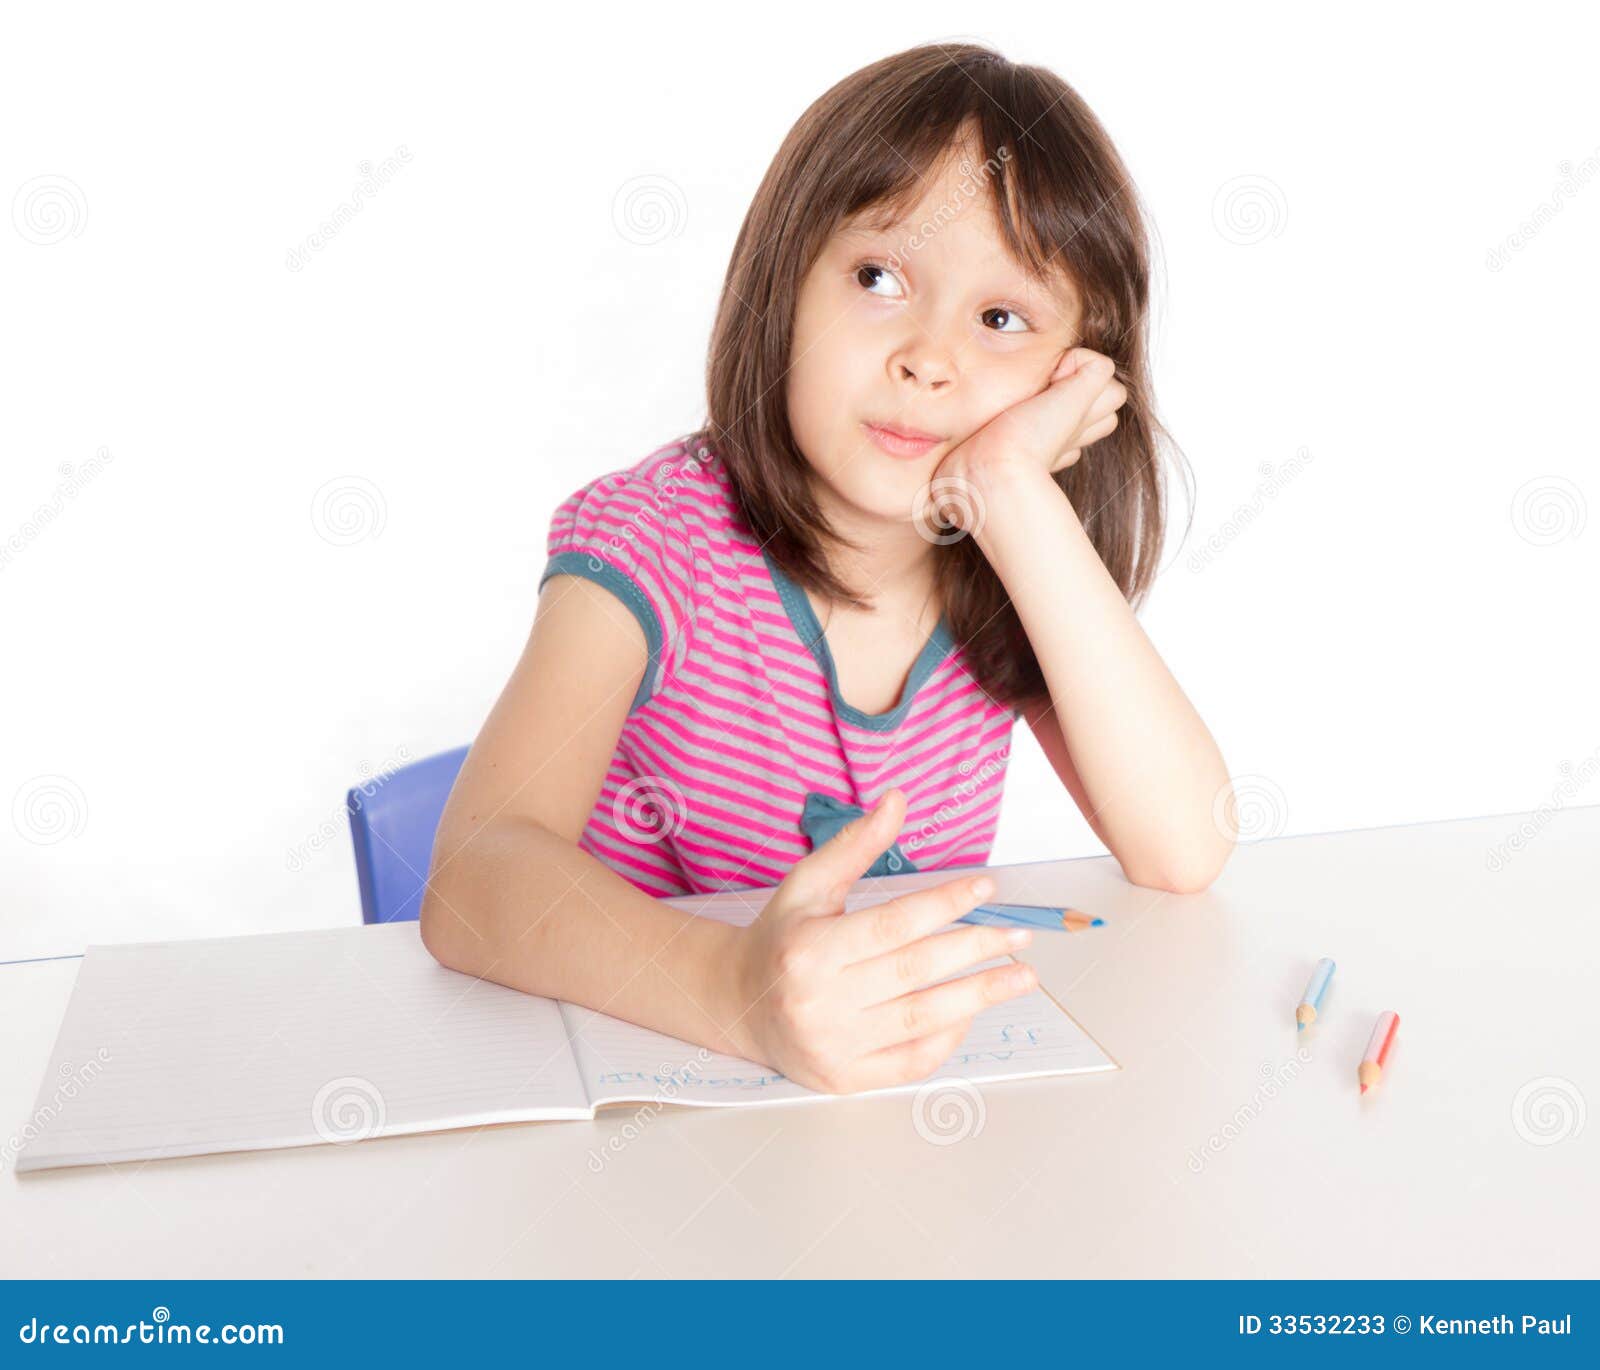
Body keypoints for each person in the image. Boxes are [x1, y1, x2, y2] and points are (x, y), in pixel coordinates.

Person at [421, 41, 1235, 1094]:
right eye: (879, 278)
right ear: (784, 288)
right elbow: (475, 873)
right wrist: (736, 990)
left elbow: (1184, 848)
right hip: (642, 1096)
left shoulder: (1005, 563)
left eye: (1001, 319)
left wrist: (1011, 489)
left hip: (855, 1120)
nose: (929, 357)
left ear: (1075, 377)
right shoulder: (654, 539)